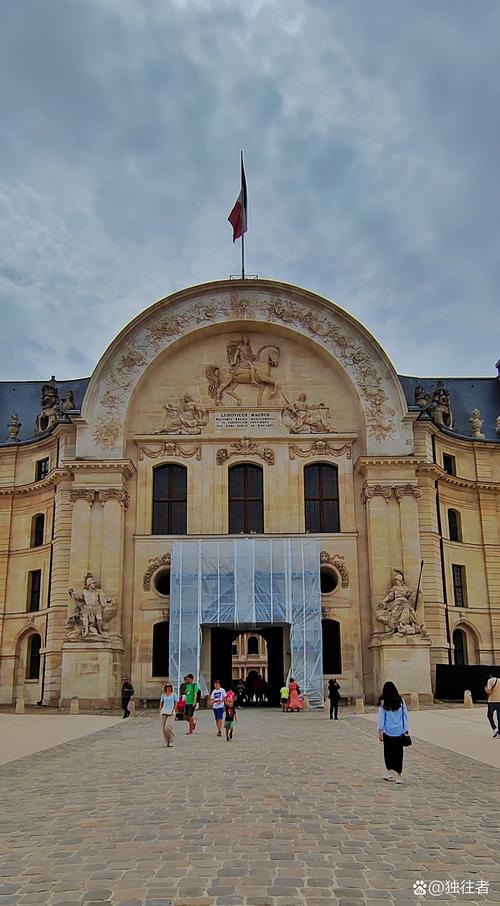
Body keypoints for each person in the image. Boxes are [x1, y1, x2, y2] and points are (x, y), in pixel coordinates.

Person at [377, 681, 410, 784]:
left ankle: (388, 771)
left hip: (388, 732)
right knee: (399, 754)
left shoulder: (384, 703)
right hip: (399, 731)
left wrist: (380, 731)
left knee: (388, 753)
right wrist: (406, 729)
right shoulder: (401, 701)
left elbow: (382, 719)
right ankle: (399, 776)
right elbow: (405, 716)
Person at [159, 682, 177, 747]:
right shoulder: (163, 695)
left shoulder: (174, 694)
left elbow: (175, 702)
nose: (168, 687)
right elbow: (161, 703)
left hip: (171, 711)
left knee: (168, 727)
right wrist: (160, 710)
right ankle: (166, 741)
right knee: (164, 728)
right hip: (164, 711)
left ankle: (171, 739)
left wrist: (175, 708)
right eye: (167, 686)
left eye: (169, 686)